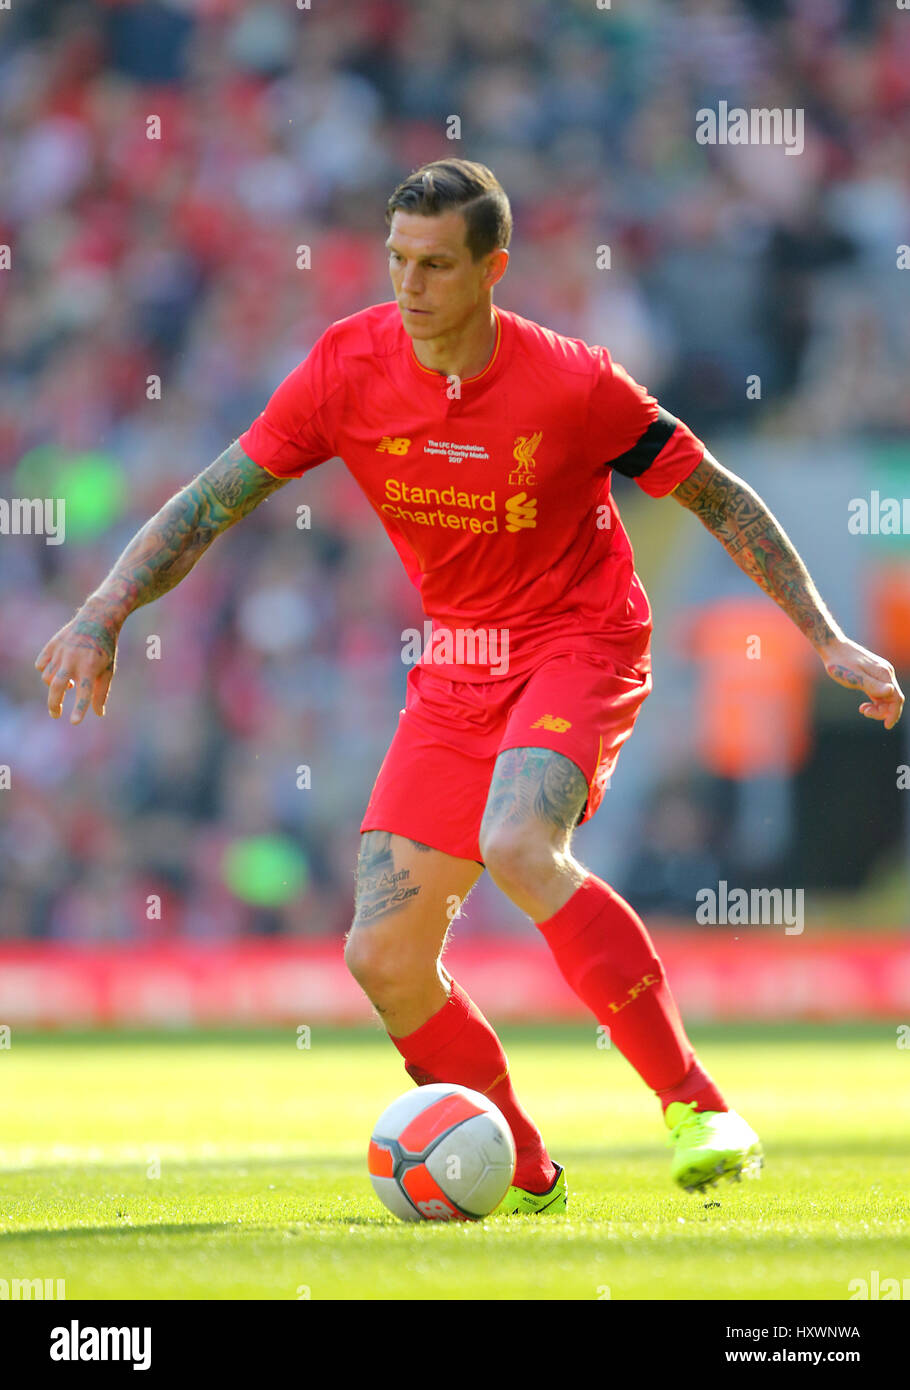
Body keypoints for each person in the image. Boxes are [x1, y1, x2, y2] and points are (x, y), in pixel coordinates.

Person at [36, 159, 904, 1216]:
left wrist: (823, 636)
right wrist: (105, 608)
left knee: (517, 845)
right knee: (383, 956)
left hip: (578, 638)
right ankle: (525, 1171)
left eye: (436, 266)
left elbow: (716, 496)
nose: (409, 286)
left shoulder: (576, 383)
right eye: (397, 260)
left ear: (492, 269)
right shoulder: (345, 368)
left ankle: (695, 1103)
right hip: (458, 661)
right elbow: (213, 500)